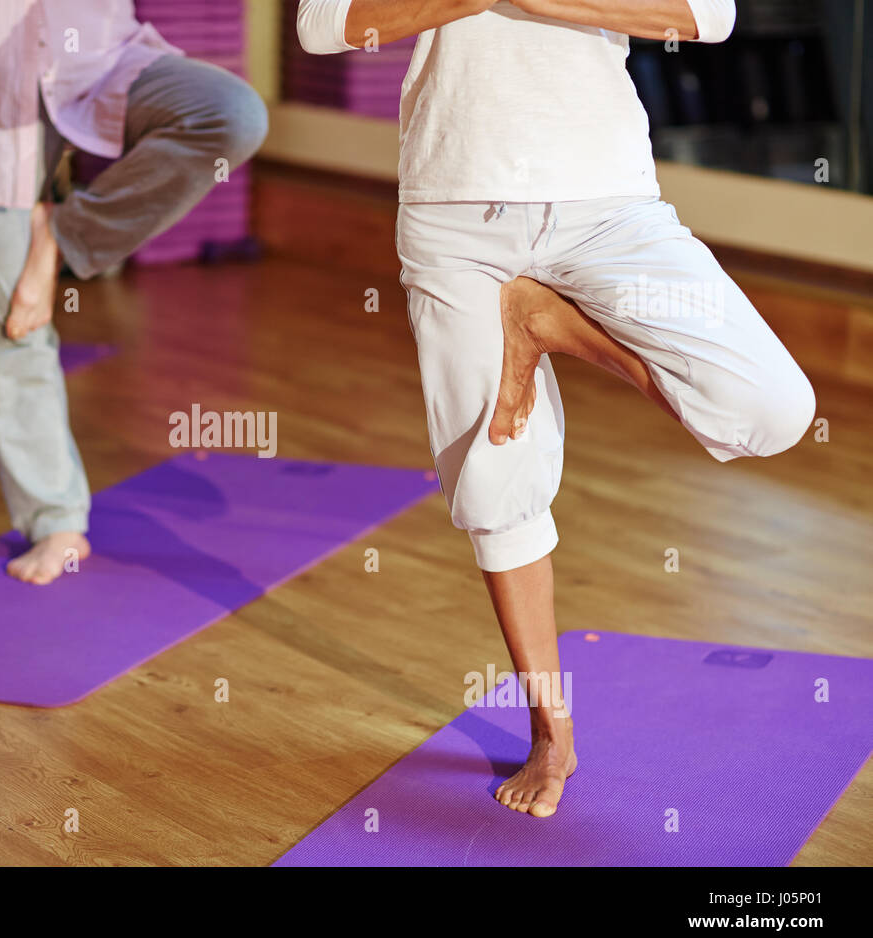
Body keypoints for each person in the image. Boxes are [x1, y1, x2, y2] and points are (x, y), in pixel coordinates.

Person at [298, 0, 813, 817]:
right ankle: (551, 731)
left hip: (608, 206)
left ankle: (546, 321)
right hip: (457, 211)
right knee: (493, 486)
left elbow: (706, 14)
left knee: (774, 407)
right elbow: (327, 26)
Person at [0, 1, 268, 585]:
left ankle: (61, 234)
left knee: (232, 113)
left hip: (101, 60)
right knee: (13, 325)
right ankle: (56, 519)